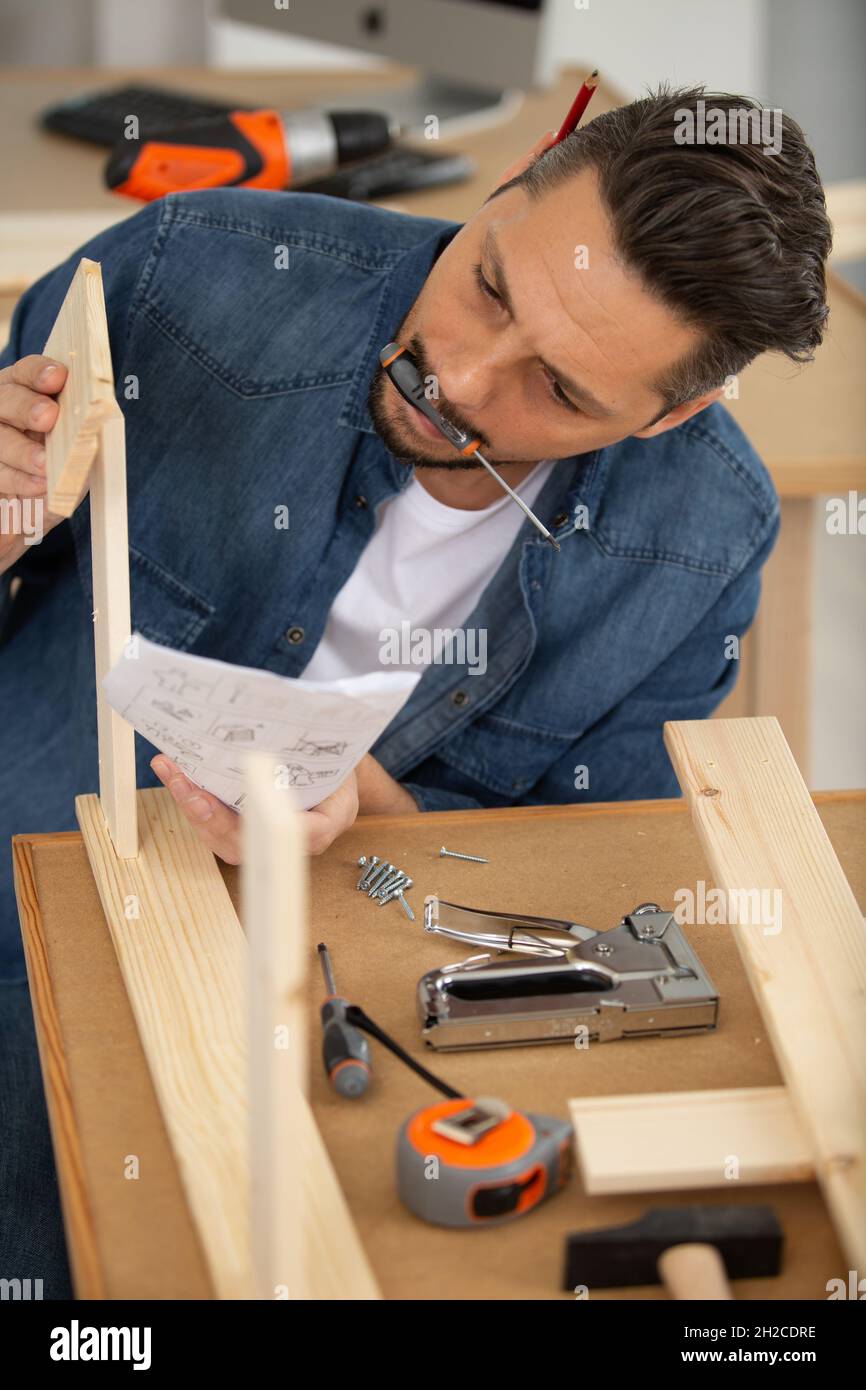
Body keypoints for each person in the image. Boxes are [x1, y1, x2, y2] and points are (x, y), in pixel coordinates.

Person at [0, 86, 831, 1295]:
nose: (460, 374)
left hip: (349, 1015)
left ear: (675, 413)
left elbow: (583, 901)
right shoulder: (180, 278)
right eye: (490, 282)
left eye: (560, 391)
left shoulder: (703, 536)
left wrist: (366, 811)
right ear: (515, 180)